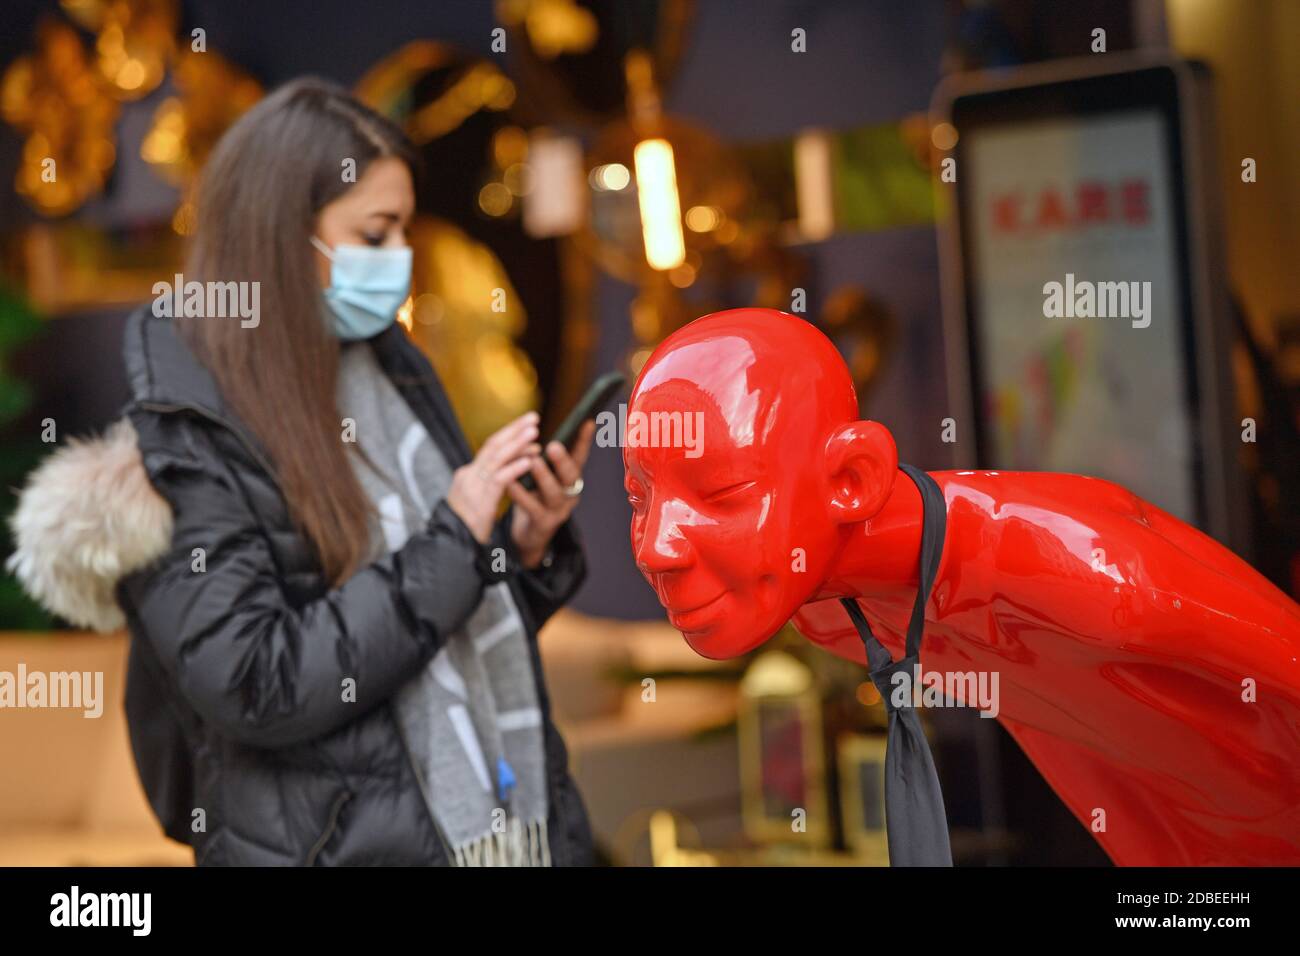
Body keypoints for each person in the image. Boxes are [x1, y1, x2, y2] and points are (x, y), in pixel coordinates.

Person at [9, 78, 597, 866]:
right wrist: (455, 540)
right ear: (284, 236)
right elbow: (256, 680)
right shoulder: (193, 434)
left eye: (405, 230)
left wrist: (516, 550)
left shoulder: (397, 378)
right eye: (376, 233)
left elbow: (441, 631)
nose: (402, 260)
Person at [623, 307, 1300, 865]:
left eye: (723, 494)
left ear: (852, 479)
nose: (657, 546)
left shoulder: (1084, 571)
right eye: (637, 499)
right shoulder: (827, 613)